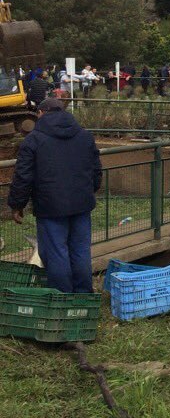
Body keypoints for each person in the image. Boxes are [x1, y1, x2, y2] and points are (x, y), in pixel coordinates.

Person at [7, 98, 102, 294]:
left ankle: (62, 298)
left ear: (41, 113)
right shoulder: (85, 136)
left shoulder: (33, 140)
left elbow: (23, 176)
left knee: (56, 252)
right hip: (81, 204)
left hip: (50, 206)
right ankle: (83, 296)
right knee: (81, 250)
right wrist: (89, 190)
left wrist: (17, 205)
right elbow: (96, 169)